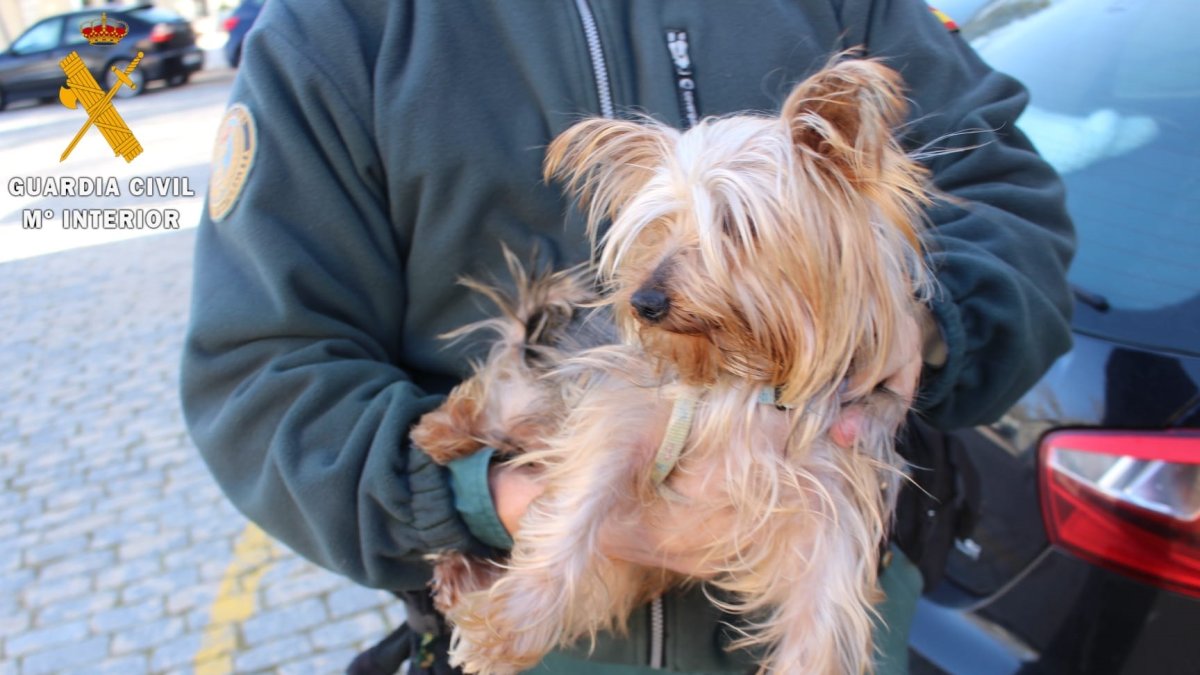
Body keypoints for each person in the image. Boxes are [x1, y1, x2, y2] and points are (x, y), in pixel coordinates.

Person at [180, 1, 1075, 673]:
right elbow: (263, 378)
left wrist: (920, 320)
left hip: (842, 549)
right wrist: (494, 501)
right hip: (550, 648)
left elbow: (1007, 199)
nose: (656, 288)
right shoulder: (341, 29)